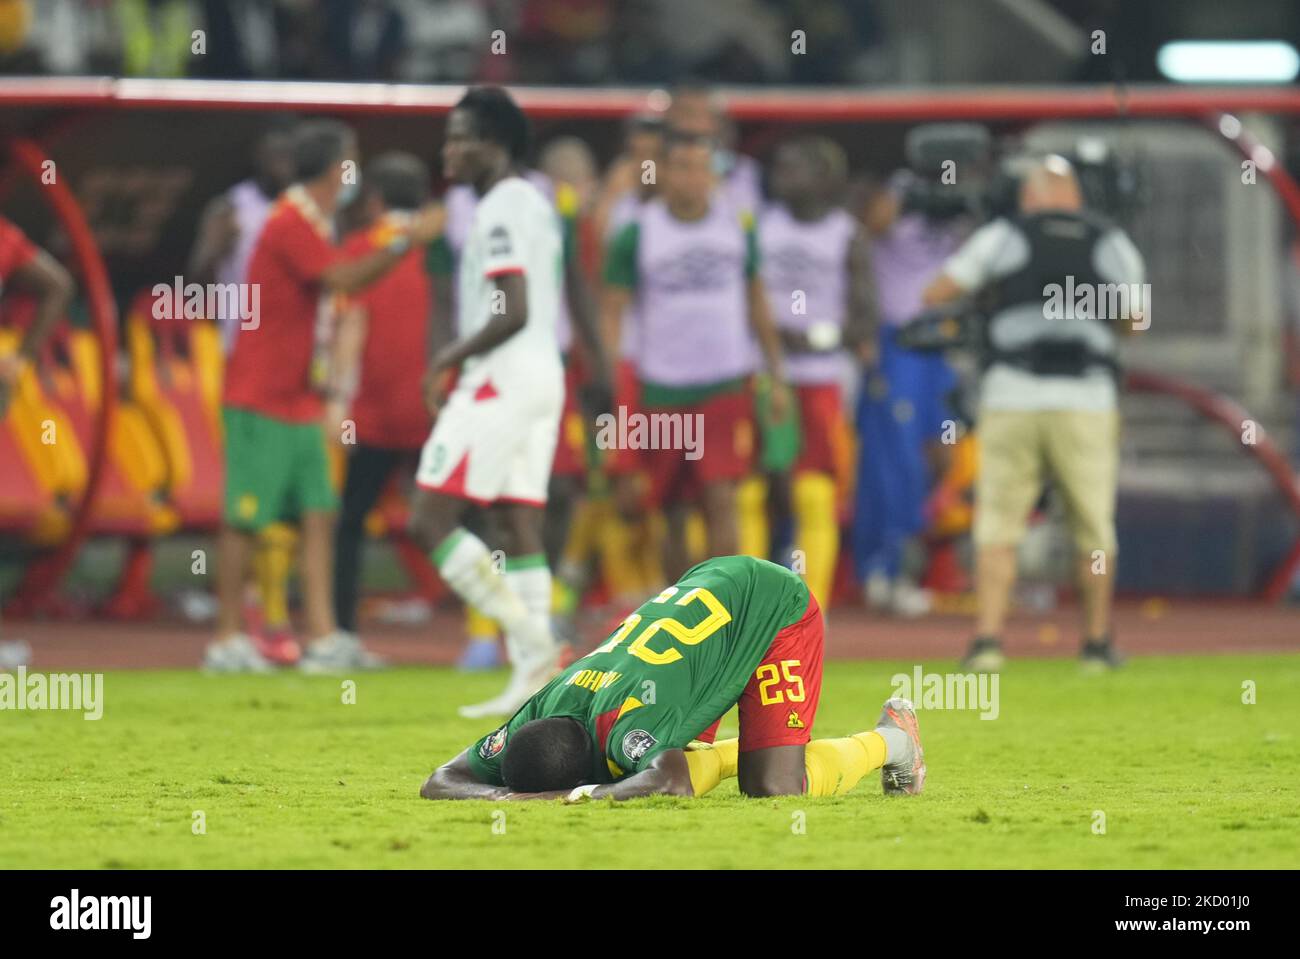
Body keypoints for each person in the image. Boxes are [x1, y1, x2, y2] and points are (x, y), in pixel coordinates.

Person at [204, 119, 444, 673]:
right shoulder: (289, 221)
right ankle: (225, 640)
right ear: (339, 168)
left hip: (299, 398)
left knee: (319, 514)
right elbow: (343, 281)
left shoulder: (313, 221)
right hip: (259, 395)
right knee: (245, 518)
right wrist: (407, 239)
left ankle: (324, 637)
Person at [419, 555, 925, 801]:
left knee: (773, 787)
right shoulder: (540, 709)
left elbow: (669, 785)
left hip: (770, 603)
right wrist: (503, 795)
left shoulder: (627, 725)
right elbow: (439, 781)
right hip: (704, 595)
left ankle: (893, 740)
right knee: (674, 759)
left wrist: (574, 798)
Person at [922, 156, 1145, 672]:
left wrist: (990, 306)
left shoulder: (1003, 235)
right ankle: (1094, 645)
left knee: (998, 523)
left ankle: (988, 643)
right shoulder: (1108, 239)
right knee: (1093, 526)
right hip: (1085, 400)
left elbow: (936, 292)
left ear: (1032, 195)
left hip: (1012, 394)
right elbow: (1135, 322)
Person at [406, 87, 566, 718]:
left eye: (461, 137)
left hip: (502, 373)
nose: (449, 150)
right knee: (514, 521)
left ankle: (532, 639)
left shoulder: (499, 207)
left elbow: (512, 306)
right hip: (541, 373)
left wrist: (446, 358)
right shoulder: (534, 200)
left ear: (495, 143)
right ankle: (533, 676)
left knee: (429, 517)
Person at [600, 129, 790, 582]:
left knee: (722, 497)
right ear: (661, 172)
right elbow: (612, 313)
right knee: (673, 508)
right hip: (661, 386)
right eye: (682, 167)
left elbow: (757, 301)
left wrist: (776, 375)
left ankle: (730, 617)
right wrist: (614, 389)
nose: (693, 178)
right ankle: (682, 618)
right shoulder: (637, 232)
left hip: (725, 381)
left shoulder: (736, 225)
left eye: (703, 167)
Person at [187, 120, 301, 665]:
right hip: (247, 361)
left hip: (303, 370)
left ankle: (270, 609)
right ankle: (234, 627)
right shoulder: (232, 208)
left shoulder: (310, 208)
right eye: (270, 151)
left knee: (301, 502)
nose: (279, 162)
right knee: (248, 498)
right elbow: (193, 281)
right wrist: (214, 248)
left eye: (288, 153)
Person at [759, 137, 876, 610]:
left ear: (825, 178)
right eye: (778, 167)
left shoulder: (846, 234)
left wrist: (816, 336)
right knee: (756, 493)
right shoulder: (760, 228)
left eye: (793, 168)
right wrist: (771, 335)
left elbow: (866, 316)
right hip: (765, 374)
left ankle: (812, 610)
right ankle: (746, 615)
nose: (780, 177)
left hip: (824, 378)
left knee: (814, 494)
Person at [327, 151, 436, 649]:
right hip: (437, 407)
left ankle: (342, 631)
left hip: (375, 413)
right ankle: (494, 635)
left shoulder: (360, 249)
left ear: (373, 200)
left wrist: (335, 399)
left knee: (349, 523)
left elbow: (352, 324)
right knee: (470, 518)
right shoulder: (441, 248)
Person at [853, 170, 966, 617]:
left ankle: (907, 558)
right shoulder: (902, 188)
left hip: (941, 341)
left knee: (943, 455)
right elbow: (872, 222)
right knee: (891, 460)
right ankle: (884, 569)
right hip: (898, 342)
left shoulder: (962, 197)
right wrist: (911, 200)